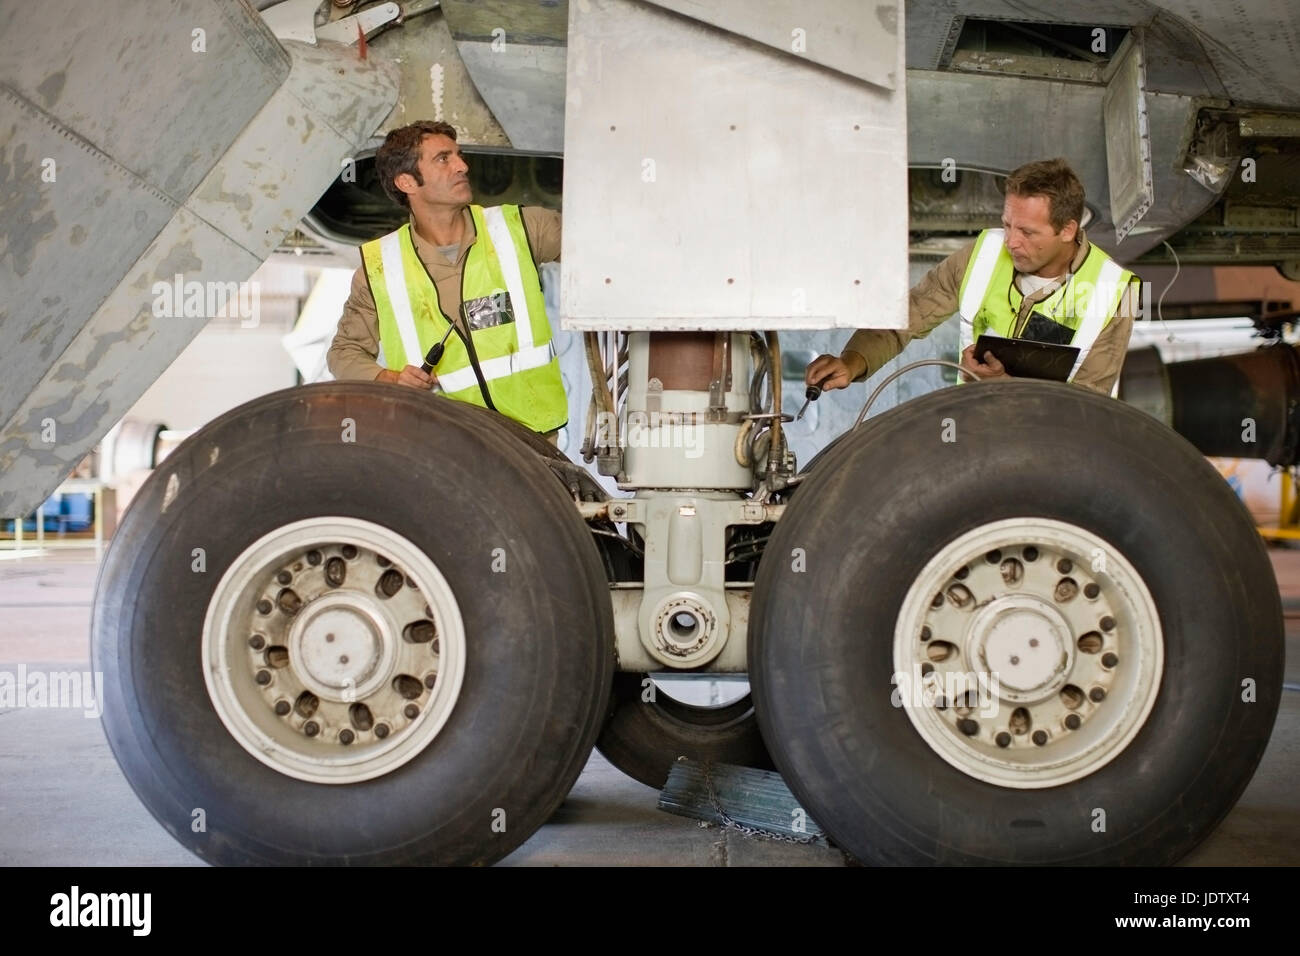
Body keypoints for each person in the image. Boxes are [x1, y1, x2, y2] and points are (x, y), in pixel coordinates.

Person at [806, 157, 1139, 397]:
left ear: (1068, 230)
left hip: (1048, 454)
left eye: (1027, 231)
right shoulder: (984, 254)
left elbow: (1088, 404)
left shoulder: (1115, 292)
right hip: (972, 430)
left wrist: (1005, 387)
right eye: (1007, 224)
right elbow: (909, 315)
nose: (1011, 240)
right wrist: (853, 360)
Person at [327, 120, 568, 437]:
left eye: (459, 155)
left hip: (535, 440)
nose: (462, 166)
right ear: (407, 182)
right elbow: (343, 354)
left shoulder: (521, 227)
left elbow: (605, 258)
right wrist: (391, 378)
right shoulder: (379, 269)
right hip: (445, 447)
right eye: (443, 158)